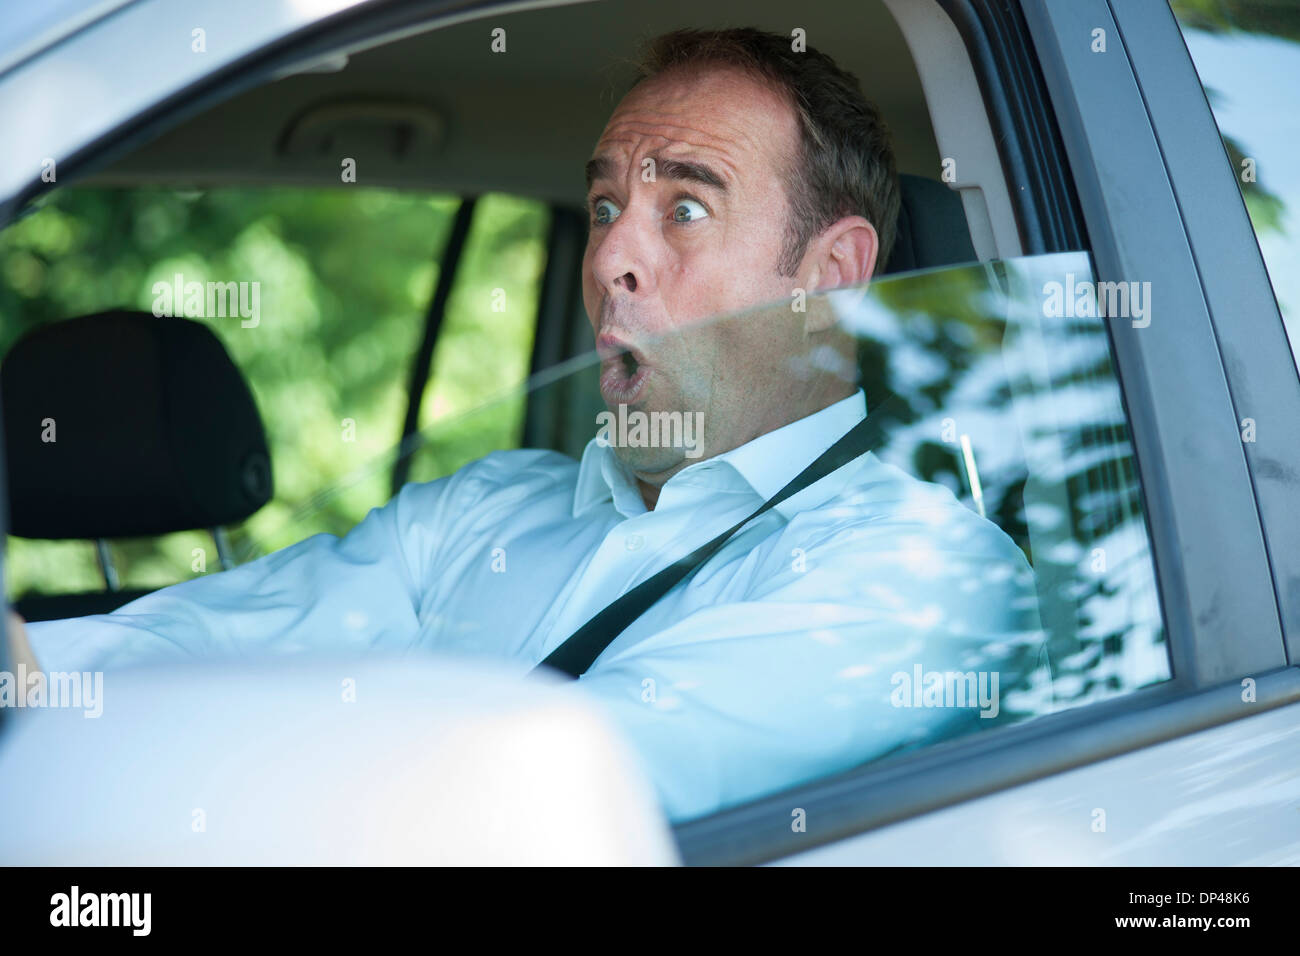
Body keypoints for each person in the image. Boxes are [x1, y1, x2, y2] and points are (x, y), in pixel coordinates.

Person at [10, 28, 1041, 821]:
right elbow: (195, 645)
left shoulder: (922, 573)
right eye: (605, 208)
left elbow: (533, 796)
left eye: (684, 209)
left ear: (830, 280)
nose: (610, 259)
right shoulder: (483, 510)